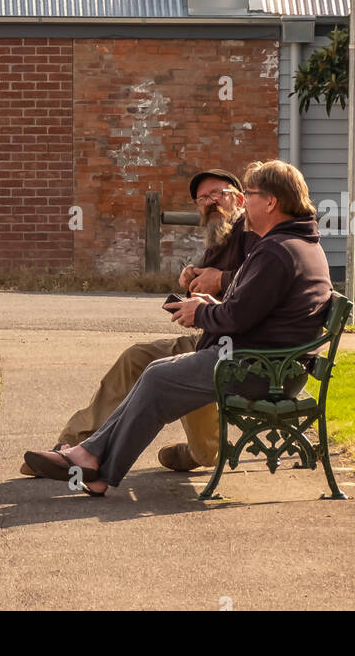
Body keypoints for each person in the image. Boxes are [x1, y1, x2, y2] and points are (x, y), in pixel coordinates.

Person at [23, 160, 333, 497]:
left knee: (158, 376)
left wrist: (201, 313)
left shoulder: (276, 250)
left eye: (250, 193)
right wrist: (210, 307)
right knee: (154, 368)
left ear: (271, 202)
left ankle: (94, 458)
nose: (245, 200)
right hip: (267, 362)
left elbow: (239, 317)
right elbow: (251, 310)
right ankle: (95, 463)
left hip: (258, 368)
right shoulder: (292, 244)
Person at [19, 169, 252, 478]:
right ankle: (69, 446)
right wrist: (193, 281)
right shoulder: (220, 236)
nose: (210, 203)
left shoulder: (253, 232)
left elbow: (265, 283)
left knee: (167, 370)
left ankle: (202, 451)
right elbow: (222, 293)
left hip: (232, 351)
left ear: (239, 199)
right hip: (214, 341)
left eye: (217, 195)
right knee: (136, 358)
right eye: (202, 199)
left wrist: (219, 278)